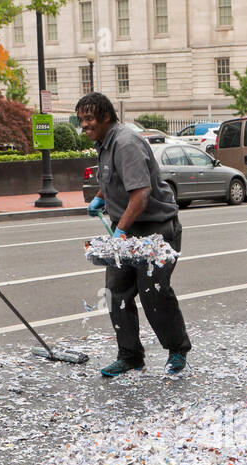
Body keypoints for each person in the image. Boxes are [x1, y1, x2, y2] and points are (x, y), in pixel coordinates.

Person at [78, 91, 191, 377]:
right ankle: (130, 355)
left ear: (106, 116)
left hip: (155, 228)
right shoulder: (104, 143)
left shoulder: (125, 143)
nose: (84, 126)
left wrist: (118, 233)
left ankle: (177, 349)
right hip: (130, 228)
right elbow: (113, 177)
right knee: (116, 293)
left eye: (89, 119)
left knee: (153, 292)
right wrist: (102, 197)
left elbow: (141, 195)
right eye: (81, 120)